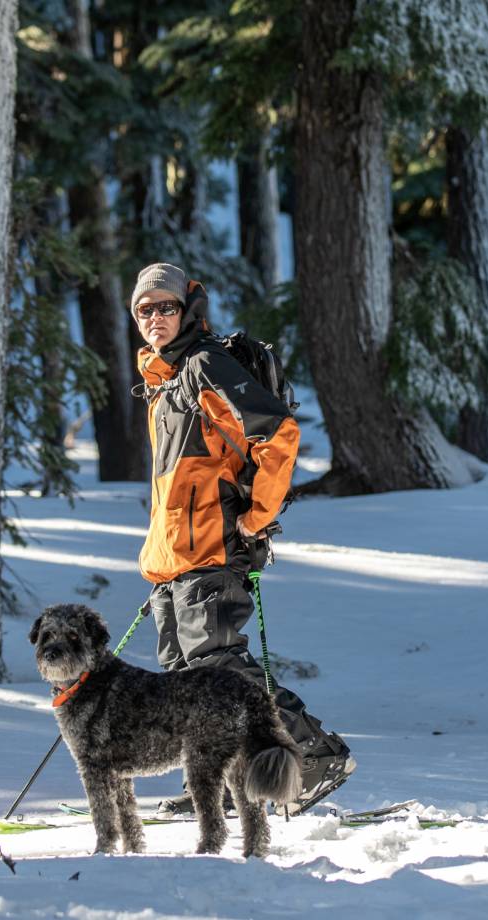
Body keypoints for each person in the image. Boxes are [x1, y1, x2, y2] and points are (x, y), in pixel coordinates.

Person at [128, 262, 354, 815]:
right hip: (172, 559)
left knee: (221, 670)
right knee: (185, 685)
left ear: (188, 309)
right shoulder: (163, 381)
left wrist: (257, 516)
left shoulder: (207, 364)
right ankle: (214, 787)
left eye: (165, 306)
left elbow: (278, 434)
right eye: (144, 309)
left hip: (211, 551)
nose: (154, 317)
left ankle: (317, 756)